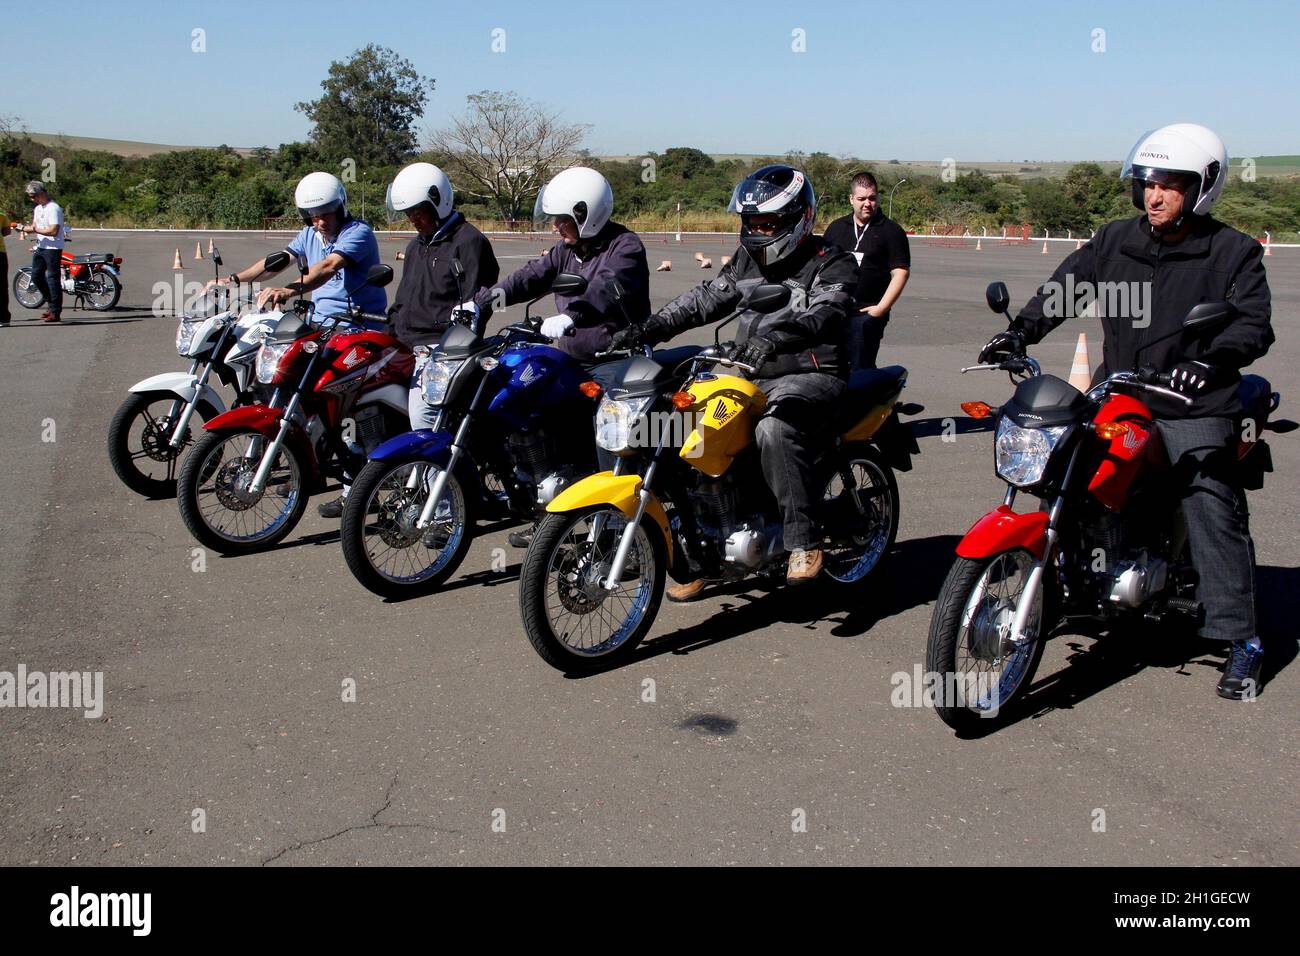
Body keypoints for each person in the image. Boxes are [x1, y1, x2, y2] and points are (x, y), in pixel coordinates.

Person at [977, 123, 1274, 701]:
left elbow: (1252, 324)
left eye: (1171, 184)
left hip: (1194, 401)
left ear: (1202, 187)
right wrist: (1019, 333)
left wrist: (1214, 362)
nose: (1156, 195)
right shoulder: (1116, 239)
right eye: (1148, 183)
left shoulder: (1231, 251)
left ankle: (1242, 641)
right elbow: (1068, 286)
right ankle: (1073, 585)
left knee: (1209, 500)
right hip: (1124, 393)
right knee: (1066, 466)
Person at [608, 164, 858, 598]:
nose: (756, 231)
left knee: (774, 429)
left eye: (765, 223)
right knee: (683, 427)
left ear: (797, 219)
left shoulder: (831, 263)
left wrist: (778, 338)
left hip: (810, 373)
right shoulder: (747, 258)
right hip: (748, 373)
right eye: (749, 222)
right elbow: (705, 299)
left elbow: (826, 314)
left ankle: (804, 542)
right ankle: (706, 548)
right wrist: (647, 329)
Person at [211, 171, 388, 518]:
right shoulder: (308, 232)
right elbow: (277, 261)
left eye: (326, 213)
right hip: (322, 328)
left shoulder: (358, 233)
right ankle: (309, 466)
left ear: (341, 207)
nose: (319, 221)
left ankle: (359, 489)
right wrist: (232, 279)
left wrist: (290, 289)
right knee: (288, 387)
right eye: (312, 214)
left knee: (344, 409)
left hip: (358, 331)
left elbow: (326, 267)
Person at [474, 166, 649, 362]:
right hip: (571, 358)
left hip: (616, 359)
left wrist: (570, 316)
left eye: (563, 219)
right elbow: (530, 277)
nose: (555, 225)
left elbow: (606, 285)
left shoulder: (625, 246)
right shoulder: (566, 249)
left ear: (585, 216)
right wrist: (482, 302)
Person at [384, 162, 499, 430]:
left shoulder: (469, 242)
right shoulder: (416, 246)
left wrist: (445, 349)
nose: (412, 219)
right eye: (407, 213)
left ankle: (433, 470)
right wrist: (381, 337)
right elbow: (402, 302)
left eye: (418, 211)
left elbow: (473, 308)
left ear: (437, 202)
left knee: (422, 416)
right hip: (403, 345)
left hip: (437, 348)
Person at [822, 171, 911, 367]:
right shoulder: (836, 228)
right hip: (834, 311)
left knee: (860, 369)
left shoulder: (891, 231)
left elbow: (900, 272)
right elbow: (821, 267)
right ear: (851, 199)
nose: (867, 203)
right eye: (861, 198)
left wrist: (880, 309)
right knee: (828, 367)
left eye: (872, 198)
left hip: (866, 314)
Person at [17, 181, 65, 323]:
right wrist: (23, 229)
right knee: (36, 276)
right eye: (30, 197)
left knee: (52, 278)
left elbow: (53, 230)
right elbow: (35, 226)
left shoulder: (53, 208)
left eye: (34, 196)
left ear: (42, 193)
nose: (32, 199)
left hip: (53, 248)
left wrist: (35, 230)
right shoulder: (38, 209)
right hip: (41, 246)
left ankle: (55, 311)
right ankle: (50, 302)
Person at [1, 217, 11, 327]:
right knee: (2, 286)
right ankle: (3, 318)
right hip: (0, 252)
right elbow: (6, 232)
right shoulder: (2, 215)